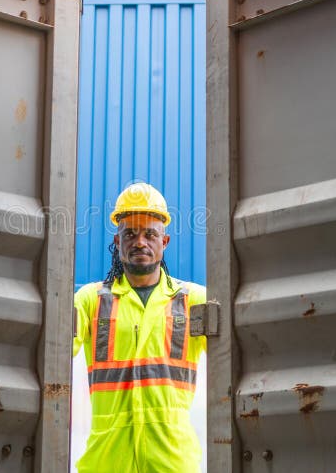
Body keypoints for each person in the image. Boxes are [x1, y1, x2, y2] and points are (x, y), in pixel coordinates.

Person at [73, 182, 208, 473]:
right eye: (130, 234)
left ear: (165, 241)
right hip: (107, 461)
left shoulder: (193, 300)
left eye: (150, 234)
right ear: (117, 241)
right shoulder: (89, 301)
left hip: (172, 461)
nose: (140, 242)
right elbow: (48, 354)